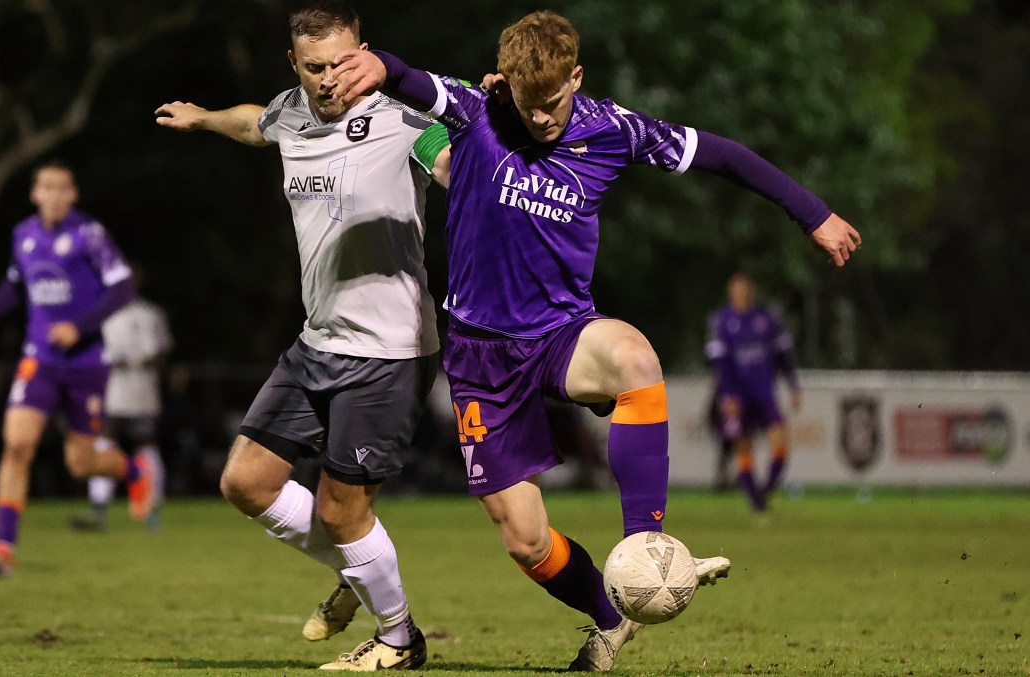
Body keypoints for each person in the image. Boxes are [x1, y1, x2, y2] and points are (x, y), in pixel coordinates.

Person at [329, 10, 861, 671]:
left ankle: (647, 549)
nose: (542, 117)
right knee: (525, 540)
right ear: (508, 87)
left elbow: (722, 154)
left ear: (575, 77)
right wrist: (383, 68)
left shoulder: (613, 130)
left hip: (562, 333)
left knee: (635, 357)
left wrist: (813, 213)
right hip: (480, 355)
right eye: (528, 103)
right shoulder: (477, 112)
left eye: (552, 102)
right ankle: (609, 617)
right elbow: (413, 82)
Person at [154, 1, 450, 670]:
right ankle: (358, 569)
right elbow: (255, 124)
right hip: (317, 343)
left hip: (387, 352)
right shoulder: (290, 110)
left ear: (365, 52)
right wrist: (203, 118)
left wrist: (481, 170)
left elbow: (449, 159)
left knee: (346, 513)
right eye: (315, 66)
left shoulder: (402, 117)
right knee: (245, 481)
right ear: (295, 64)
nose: (329, 78)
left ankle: (400, 638)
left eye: (343, 62)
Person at [0, 160, 161, 578]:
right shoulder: (24, 234)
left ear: (72, 195)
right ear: (34, 194)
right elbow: (15, 284)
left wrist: (80, 327)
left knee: (81, 463)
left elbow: (122, 286)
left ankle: (131, 470)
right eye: (46, 188)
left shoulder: (88, 235)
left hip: (88, 362)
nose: (53, 196)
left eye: (62, 189)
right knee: (18, 444)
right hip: (38, 358)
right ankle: (3, 546)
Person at [70, 270, 172, 532]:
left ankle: (151, 506)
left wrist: (140, 361)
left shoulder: (150, 314)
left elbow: (162, 351)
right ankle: (98, 506)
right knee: (104, 442)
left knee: (145, 444)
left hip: (142, 391)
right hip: (110, 391)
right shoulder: (101, 312)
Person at [705, 272, 801, 512]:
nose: (741, 293)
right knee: (744, 446)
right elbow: (720, 364)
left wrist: (793, 385)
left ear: (751, 291)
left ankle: (764, 491)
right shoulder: (721, 322)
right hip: (738, 396)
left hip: (765, 393)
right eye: (737, 289)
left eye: (745, 288)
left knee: (780, 442)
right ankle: (756, 500)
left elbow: (784, 356)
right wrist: (726, 395)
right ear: (730, 292)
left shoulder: (767, 319)